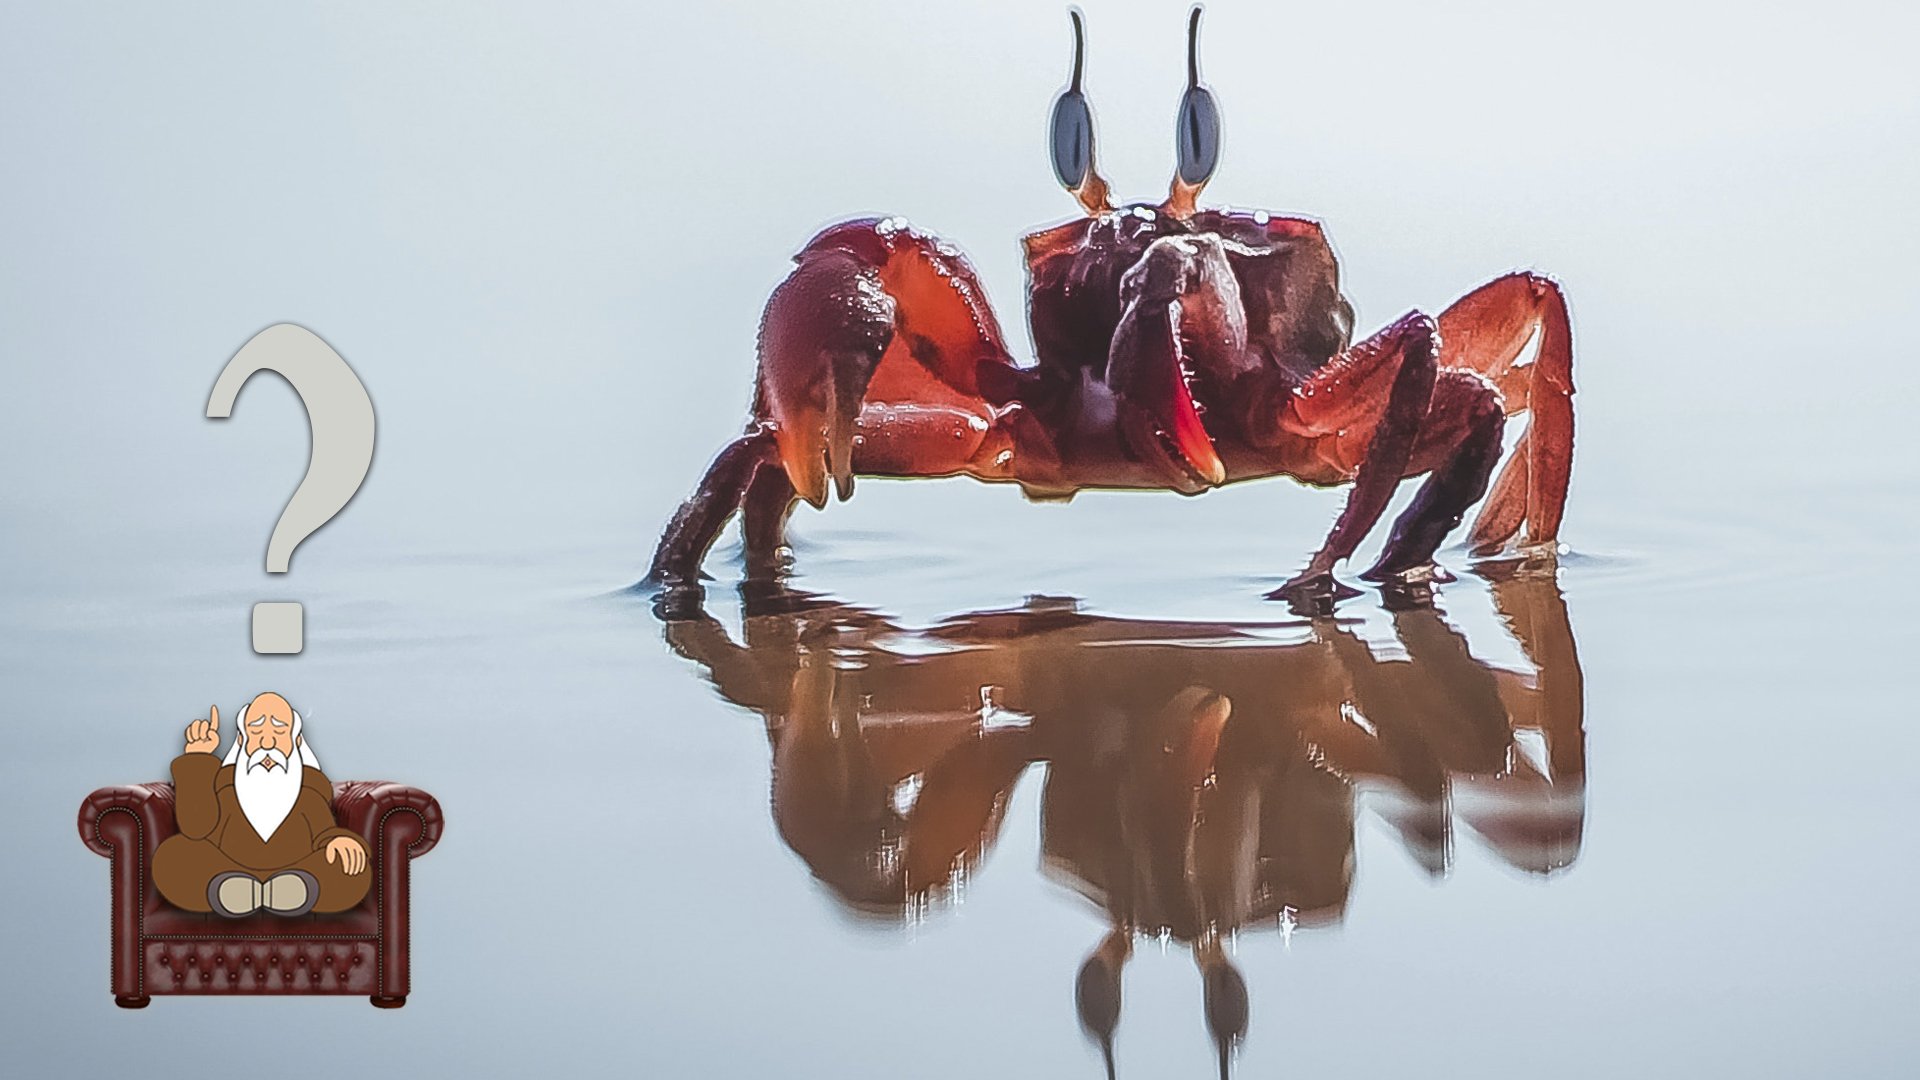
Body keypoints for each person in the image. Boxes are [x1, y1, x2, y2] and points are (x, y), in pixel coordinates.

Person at [151, 693, 370, 917]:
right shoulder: (224, 785)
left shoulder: (308, 791)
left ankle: (293, 890)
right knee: (173, 856)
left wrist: (338, 840)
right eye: (256, 730)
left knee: (349, 866)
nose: (267, 742)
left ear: (295, 741)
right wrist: (198, 757)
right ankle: (236, 891)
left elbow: (322, 831)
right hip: (228, 870)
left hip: (296, 871)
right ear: (241, 740)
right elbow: (197, 829)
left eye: (279, 730)